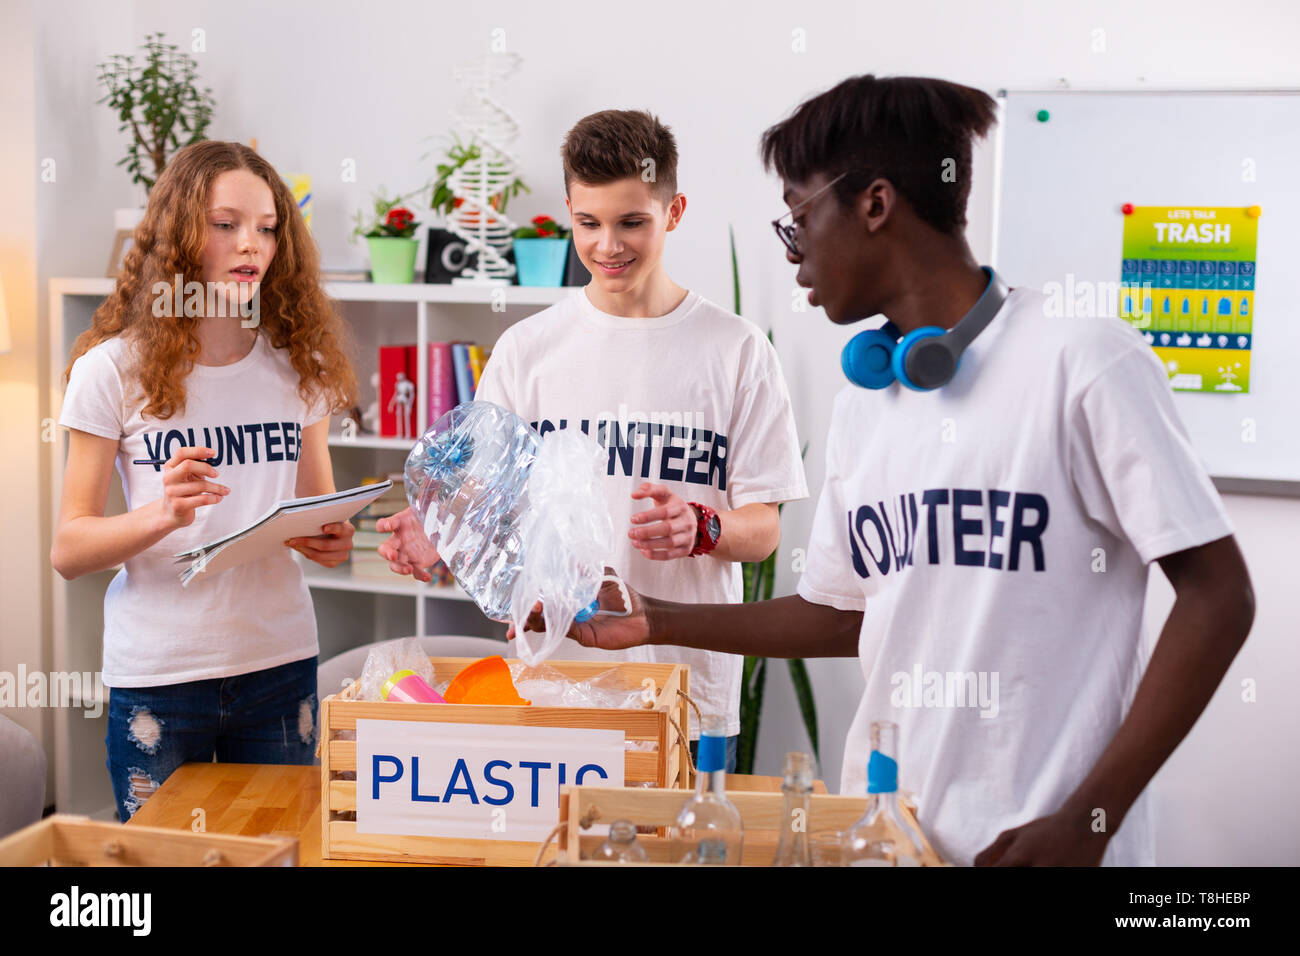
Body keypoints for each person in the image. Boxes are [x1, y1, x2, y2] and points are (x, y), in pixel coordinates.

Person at [516, 76, 1255, 866]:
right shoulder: (868, 406)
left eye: (800, 220)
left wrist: (1089, 818)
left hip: (1047, 844)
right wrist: (655, 619)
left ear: (873, 205)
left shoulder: (1083, 360)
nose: (794, 256)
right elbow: (839, 617)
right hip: (885, 835)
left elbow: (1219, 597)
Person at [377, 109, 809, 771]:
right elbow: (490, 509)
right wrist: (444, 530)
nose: (609, 246)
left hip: (689, 695)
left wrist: (703, 527)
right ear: (570, 215)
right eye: (589, 223)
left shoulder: (737, 351)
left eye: (631, 222)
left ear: (674, 212)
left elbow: (764, 530)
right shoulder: (526, 350)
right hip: (554, 688)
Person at [51, 141, 358, 822]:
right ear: (179, 235)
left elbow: (317, 517)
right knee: (165, 860)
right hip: (161, 677)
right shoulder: (110, 371)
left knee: (278, 854)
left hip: (279, 663)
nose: (251, 244)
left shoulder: (299, 367)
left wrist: (332, 539)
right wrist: (162, 514)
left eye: (267, 228)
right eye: (226, 224)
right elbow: (69, 550)